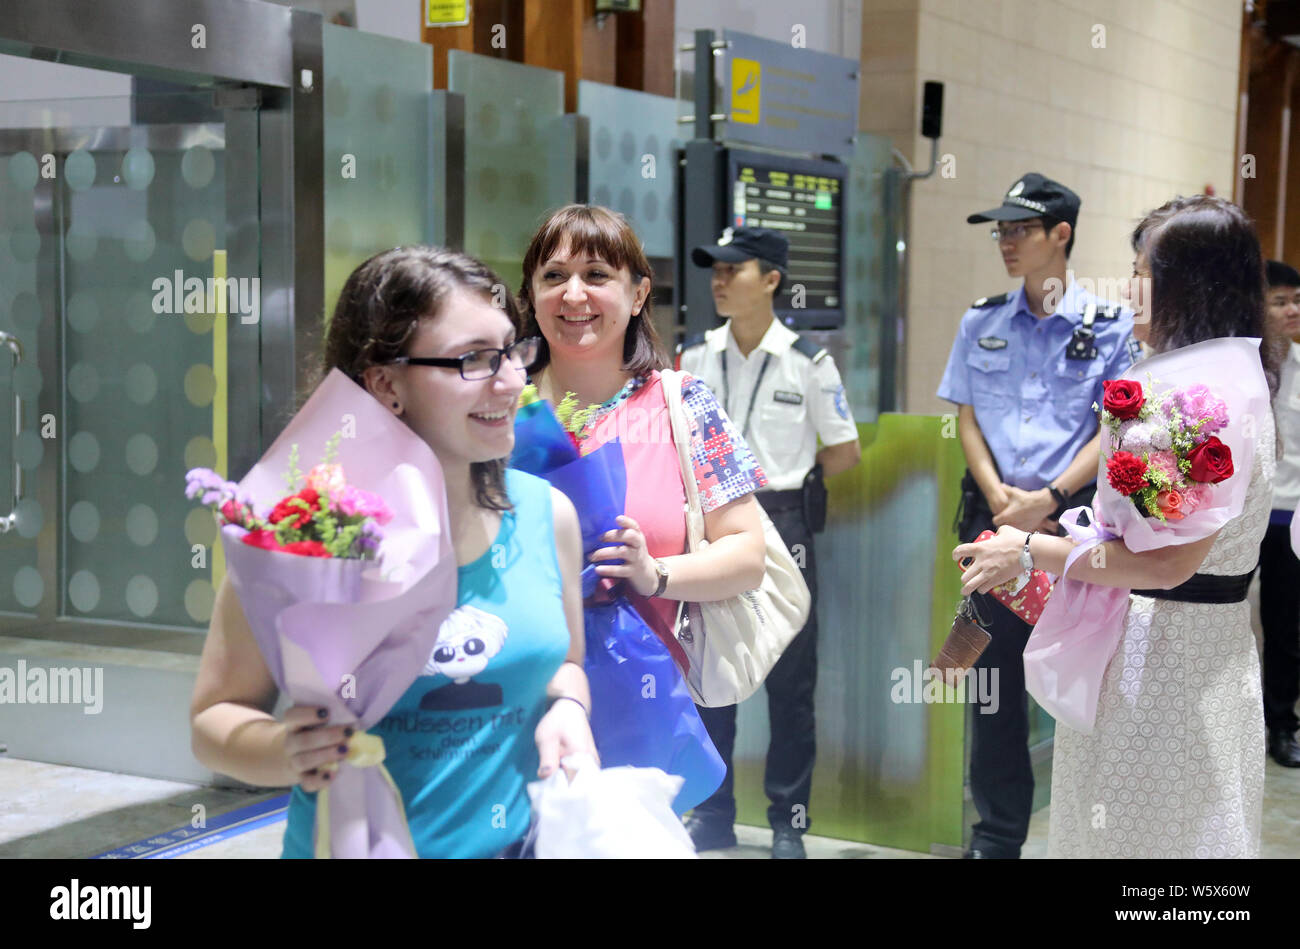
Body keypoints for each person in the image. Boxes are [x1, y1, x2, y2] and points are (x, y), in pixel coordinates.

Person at [190, 246, 598, 858]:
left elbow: (565, 661)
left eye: (513, 350)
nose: (513, 380)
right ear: (386, 383)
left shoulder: (546, 516)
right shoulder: (303, 538)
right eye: (474, 360)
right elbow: (215, 717)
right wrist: (284, 750)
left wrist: (568, 707)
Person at [956, 194, 1280, 858]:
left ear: (1191, 284)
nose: (1128, 286)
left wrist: (1030, 550)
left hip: (1163, 662)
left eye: (1142, 268)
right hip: (1193, 650)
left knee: (1150, 835)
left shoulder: (1197, 397)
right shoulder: (1230, 370)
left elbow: (1166, 564)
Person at [513, 203, 770, 803]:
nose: (574, 294)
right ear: (532, 294)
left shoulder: (683, 404)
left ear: (636, 295)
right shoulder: (499, 401)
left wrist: (653, 574)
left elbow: (747, 554)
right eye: (554, 277)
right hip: (509, 702)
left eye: (597, 275)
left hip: (641, 702)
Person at [936, 172, 1137, 858]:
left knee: (1087, 682)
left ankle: (1094, 833)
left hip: (1074, 528)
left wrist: (1047, 500)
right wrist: (999, 496)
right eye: (1002, 230)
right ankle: (996, 837)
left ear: (1062, 234)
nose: (1006, 241)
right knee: (991, 690)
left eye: (1020, 229)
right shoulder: (980, 319)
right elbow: (965, 413)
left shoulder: (1109, 326)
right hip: (994, 523)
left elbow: (1117, 426)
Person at [674, 226, 861, 859]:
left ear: (773, 280)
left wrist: (782, 490)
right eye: (714, 269)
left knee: (790, 681)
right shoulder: (693, 355)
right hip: (707, 528)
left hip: (785, 522)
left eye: (735, 268)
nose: (719, 280)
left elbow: (843, 451)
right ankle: (714, 813)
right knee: (710, 668)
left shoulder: (808, 361)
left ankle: (788, 821)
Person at [1256, 260, 1300, 767]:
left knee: (1285, 626)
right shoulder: (1241, 365)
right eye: (1279, 301)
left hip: (1288, 516)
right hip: (1241, 517)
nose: (1291, 310)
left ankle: (1283, 725)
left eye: (1296, 300)